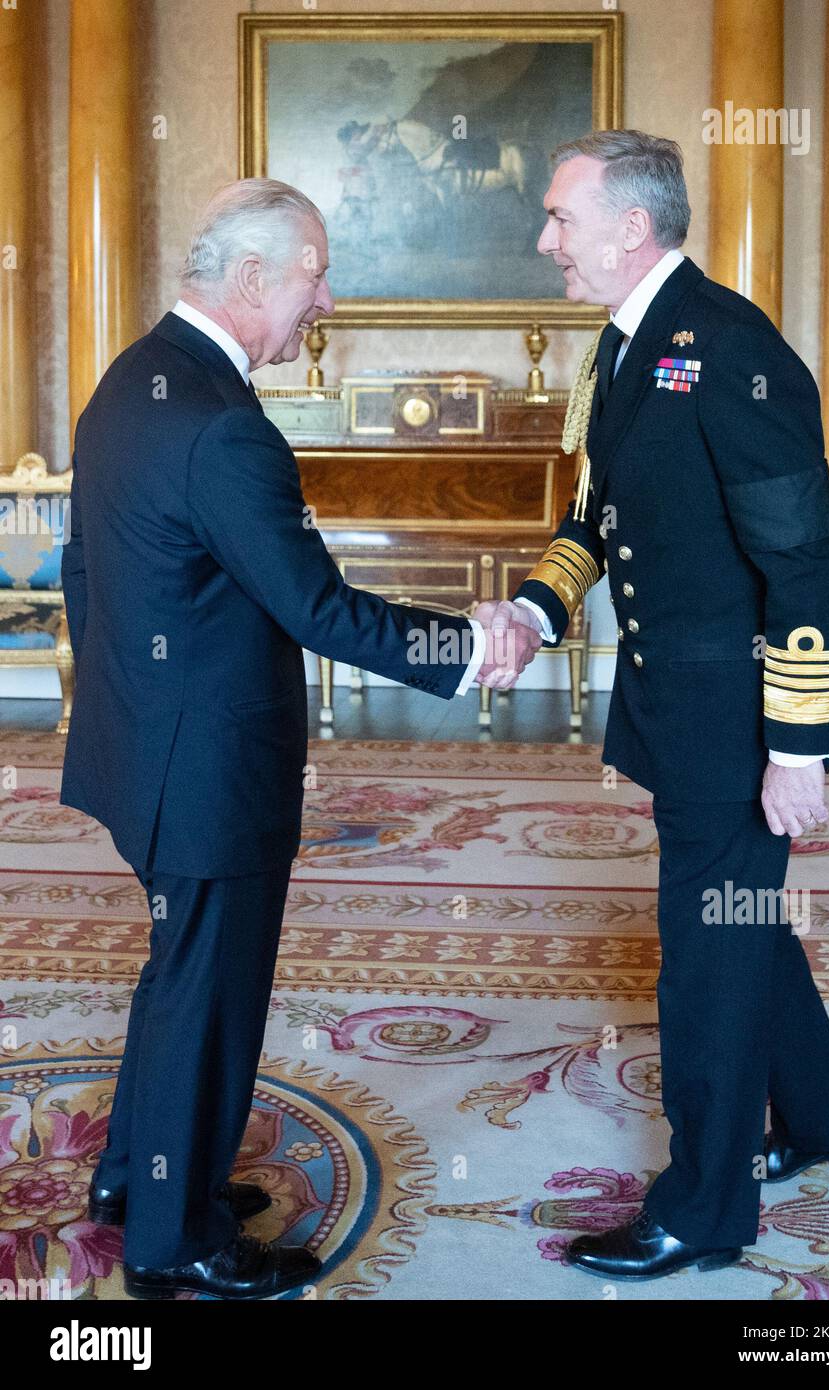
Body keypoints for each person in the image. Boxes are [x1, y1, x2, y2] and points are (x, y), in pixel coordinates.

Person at [60, 178, 540, 1300]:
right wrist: (468, 649)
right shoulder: (223, 423)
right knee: (208, 996)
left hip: (145, 748)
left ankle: (139, 1180)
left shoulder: (129, 385)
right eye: (314, 272)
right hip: (211, 769)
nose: (326, 297)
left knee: (178, 975)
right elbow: (316, 607)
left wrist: (130, 708)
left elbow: (90, 577)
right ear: (251, 279)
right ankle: (177, 1247)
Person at [485, 130, 829, 1282]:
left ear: (630, 228)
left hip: (736, 723)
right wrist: (532, 612)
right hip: (673, 706)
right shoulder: (625, 349)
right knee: (737, 918)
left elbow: (808, 566)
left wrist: (797, 747)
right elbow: (595, 522)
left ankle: (703, 1210)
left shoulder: (731, 352)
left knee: (703, 956)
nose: (545, 238)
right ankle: (826, 1121)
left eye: (560, 218)